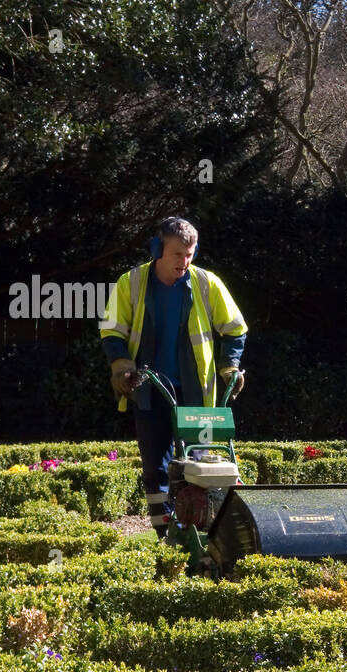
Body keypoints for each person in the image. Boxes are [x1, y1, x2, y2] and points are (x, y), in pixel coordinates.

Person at [99, 217, 248, 538]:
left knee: (202, 469)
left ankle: (206, 532)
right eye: (178, 254)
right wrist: (122, 366)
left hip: (199, 396)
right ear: (157, 250)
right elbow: (112, 331)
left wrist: (229, 367)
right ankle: (166, 536)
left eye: (190, 254)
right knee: (155, 469)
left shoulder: (208, 284)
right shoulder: (132, 283)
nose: (185, 261)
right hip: (149, 391)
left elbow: (236, 329)